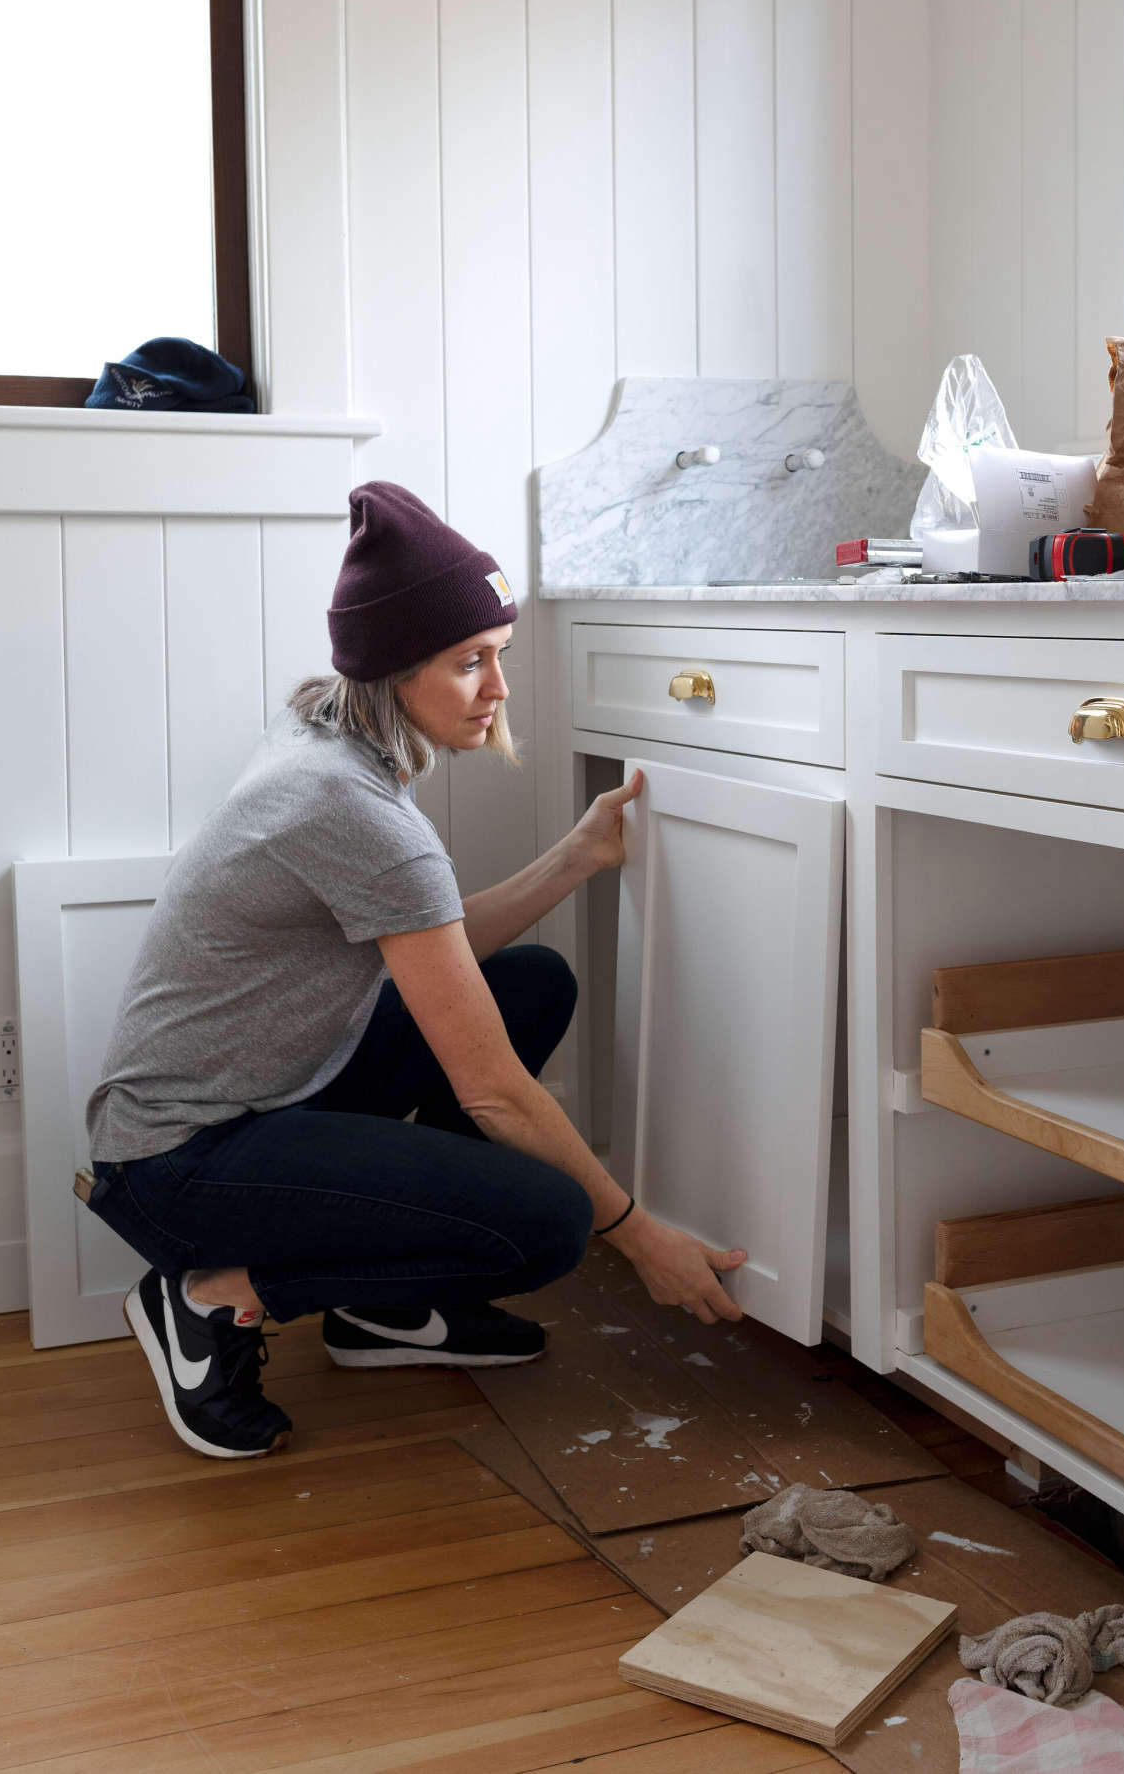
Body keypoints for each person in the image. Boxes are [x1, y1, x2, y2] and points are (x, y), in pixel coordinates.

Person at [84, 482, 747, 1461]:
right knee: (553, 1224)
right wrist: (638, 1233)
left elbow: (434, 940)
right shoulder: (353, 810)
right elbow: (492, 1091)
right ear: (395, 669)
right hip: (177, 1164)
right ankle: (216, 1297)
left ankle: (386, 1311)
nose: (498, 687)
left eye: (499, 656)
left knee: (532, 982)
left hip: (266, 1092)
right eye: (469, 661)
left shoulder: (326, 739)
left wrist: (574, 857)